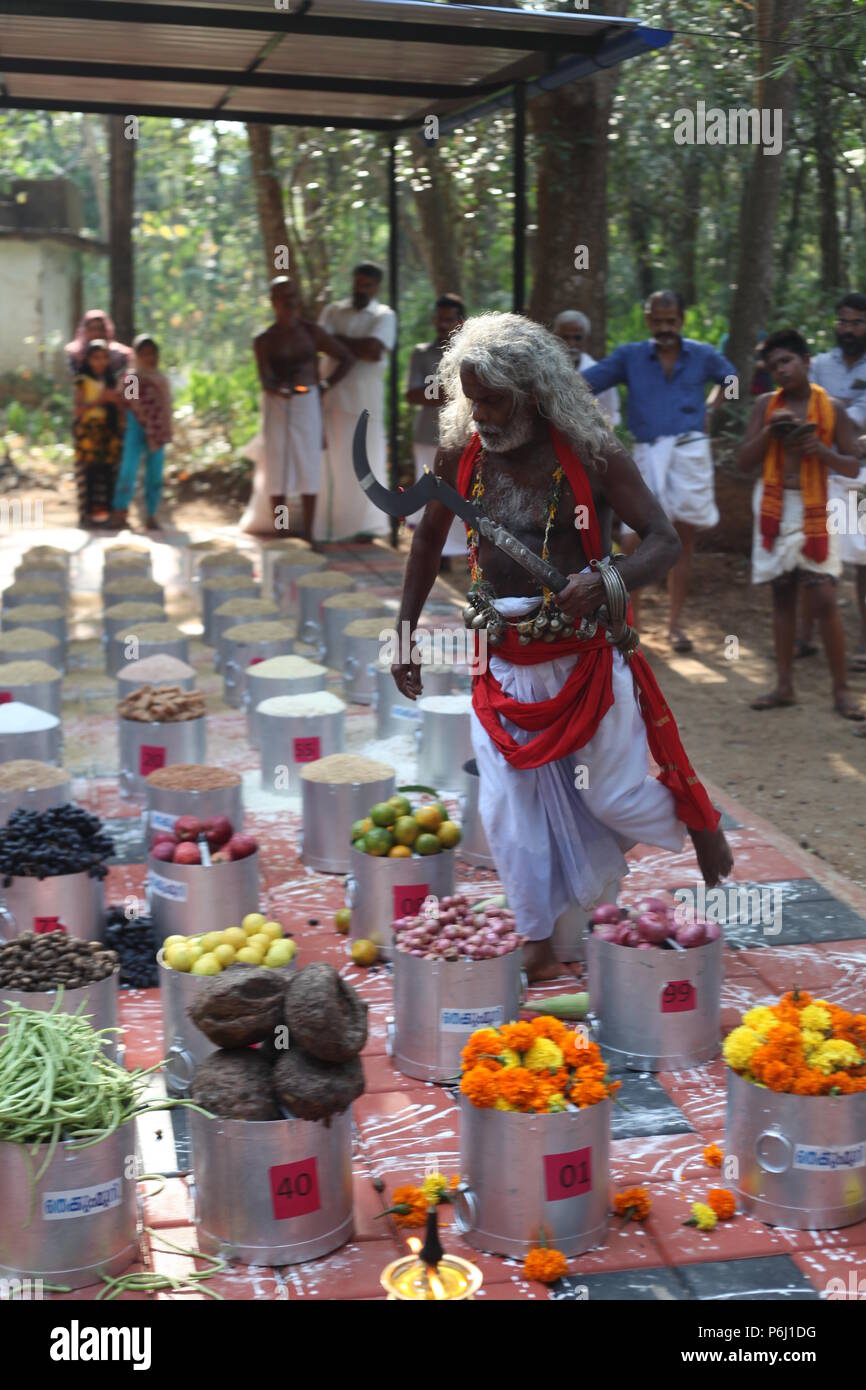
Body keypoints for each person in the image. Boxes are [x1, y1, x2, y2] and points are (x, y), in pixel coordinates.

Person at [391, 313, 733, 981]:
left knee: (613, 801)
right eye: (472, 399)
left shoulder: (594, 451)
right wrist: (404, 635)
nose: (481, 414)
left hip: (586, 662)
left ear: (536, 391)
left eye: (495, 400)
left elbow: (662, 540)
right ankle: (537, 941)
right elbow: (428, 541)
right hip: (501, 663)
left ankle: (699, 820)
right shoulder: (460, 453)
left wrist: (607, 577)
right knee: (505, 805)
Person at [582, 290, 735, 652]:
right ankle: (630, 623)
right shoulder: (630, 356)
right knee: (635, 539)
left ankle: (674, 626)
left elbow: (732, 378)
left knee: (683, 539)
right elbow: (585, 383)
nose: (665, 327)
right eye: (658, 320)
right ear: (648, 319)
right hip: (647, 454)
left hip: (688, 452)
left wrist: (711, 409)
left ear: (681, 321)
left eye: (671, 321)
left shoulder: (701, 354)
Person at [736, 329, 864, 721]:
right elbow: (744, 460)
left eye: (787, 361)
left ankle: (842, 692)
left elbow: (853, 466)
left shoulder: (833, 410)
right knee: (782, 592)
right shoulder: (765, 405)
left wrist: (819, 450)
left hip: (819, 504)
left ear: (807, 362)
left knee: (824, 595)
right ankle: (784, 686)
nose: (781, 370)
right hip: (776, 504)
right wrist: (771, 431)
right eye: (774, 365)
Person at [252, 276, 353, 542]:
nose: (289, 301)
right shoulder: (265, 339)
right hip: (276, 406)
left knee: (308, 465)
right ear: (273, 302)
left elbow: (346, 357)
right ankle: (281, 532)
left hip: (307, 403)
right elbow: (265, 378)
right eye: (282, 296)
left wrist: (324, 385)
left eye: (292, 295)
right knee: (277, 467)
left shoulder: (311, 332)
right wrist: (278, 389)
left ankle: (309, 534)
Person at [800, 293, 866, 675]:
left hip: (856, 477)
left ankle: (861, 642)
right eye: (843, 321)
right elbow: (804, 406)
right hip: (817, 472)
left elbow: (852, 423)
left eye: (856, 321)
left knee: (859, 561)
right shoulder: (820, 364)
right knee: (814, 555)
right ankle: (806, 637)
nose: (848, 329)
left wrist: (834, 417)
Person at [316, 262, 397, 543]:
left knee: (365, 465)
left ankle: (365, 527)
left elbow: (374, 351)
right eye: (357, 282)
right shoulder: (333, 310)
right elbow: (319, 341)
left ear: (376, 287)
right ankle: (329, 525)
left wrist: (336, 342)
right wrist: (354, 345)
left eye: (367, 285)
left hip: (366, 403)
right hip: (332, 399)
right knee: (332, 465)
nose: (360, 289)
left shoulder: (385, 315)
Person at [405, 293, 467, 566]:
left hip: (462, 435)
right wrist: (455, 392)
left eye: (448, 319)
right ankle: (435, 555)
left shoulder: (471, 353)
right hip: (428, 435)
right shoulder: (421, 353)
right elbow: (413, 394)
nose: (442, 324)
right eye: (439, 319)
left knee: (459, 493)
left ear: (460, 321)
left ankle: (463, 552)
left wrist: (440, 393)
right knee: (430, 495)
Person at [109, 335, 173, 531]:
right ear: (136, 355)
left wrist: (159, 428)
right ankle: (120, 512)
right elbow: (128, 404)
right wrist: (143, 423)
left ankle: (151, 516)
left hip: (157, 432)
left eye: (152, 354)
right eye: (144, 354)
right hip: (135, 429)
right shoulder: (133, 378)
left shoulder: (161, 379)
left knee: (154, 475)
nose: (149, 358)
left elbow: (166, 408)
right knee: (128, 470)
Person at [72, 339, 123, 527]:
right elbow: (77, 410)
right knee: (90, 475)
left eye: (104, 358)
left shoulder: (115, 380)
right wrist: (100, 400)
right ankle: (87, 516)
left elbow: (126, 403)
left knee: (109, 474)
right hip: (88, 434)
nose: (100, 362)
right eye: (96, 358)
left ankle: (109, 515)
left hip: (109, 433)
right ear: (88, 360)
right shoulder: (81, 381)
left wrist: (116, 401)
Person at [553, 310, 621, 429]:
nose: (571, 343)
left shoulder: (601, 374)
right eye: (565, 337)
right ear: (555, 337)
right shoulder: (543, 371)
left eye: (577, 338)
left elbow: (611, 418)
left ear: (587, 340)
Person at [66, 310, 131, 379]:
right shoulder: (74, 355)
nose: (97, 333)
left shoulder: (120, 355)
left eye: (100, 329)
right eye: (92, 329)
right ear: (85, 331)